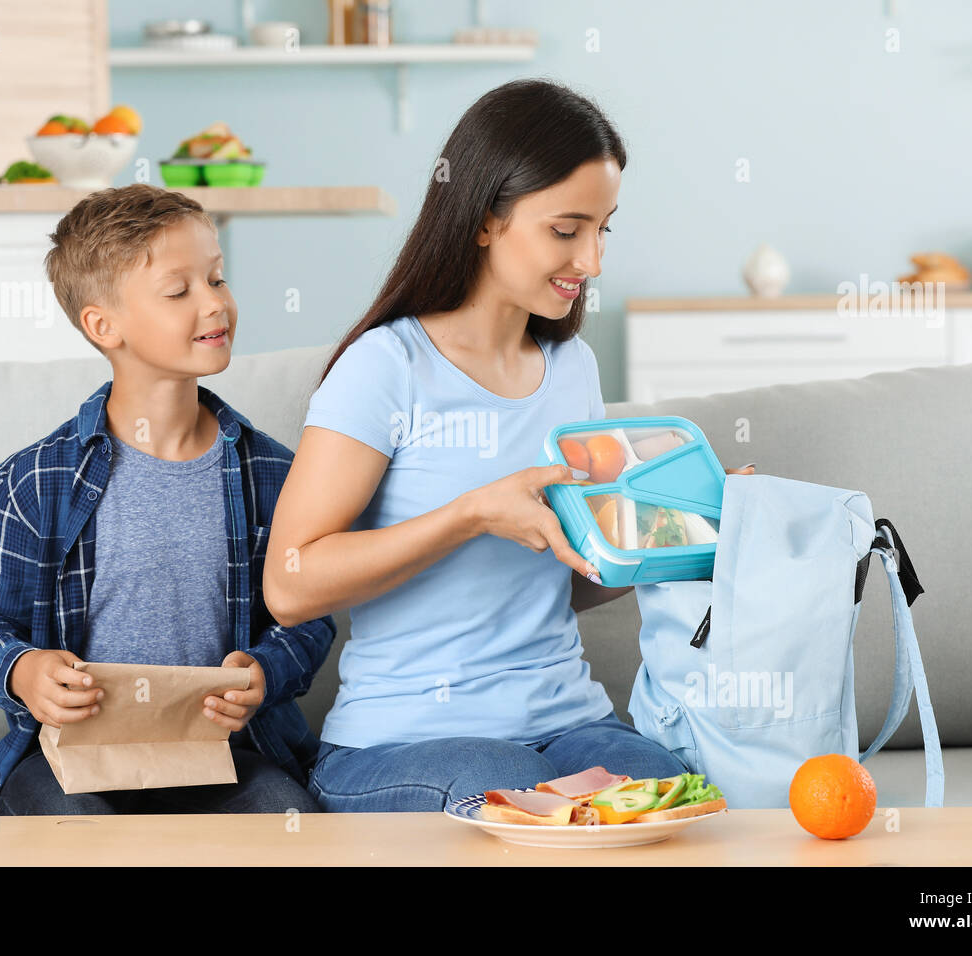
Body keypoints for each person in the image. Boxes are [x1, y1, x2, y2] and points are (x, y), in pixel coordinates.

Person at [263, 79, 754, 812]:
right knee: (542, 811)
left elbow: (579, 574)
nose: (592, 261)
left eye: (604, 229)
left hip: (568, 723)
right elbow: (291, 585)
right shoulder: (386, 366)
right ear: (485, 220)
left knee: (680, 804)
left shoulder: (571, 369)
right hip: (397, 742)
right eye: (566, 229)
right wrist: (471, 514)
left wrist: (695, 528)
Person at [0, 184, 333, 816]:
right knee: (75, 833)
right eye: (180, 291)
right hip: (72, 760)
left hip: (225, 755)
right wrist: (23, 670)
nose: (214, 304)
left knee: (289, 824)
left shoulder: (273, 473)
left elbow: (309, 615)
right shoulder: (39, 479)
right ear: (104, 325)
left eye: (217, 278)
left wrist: (264, 673)